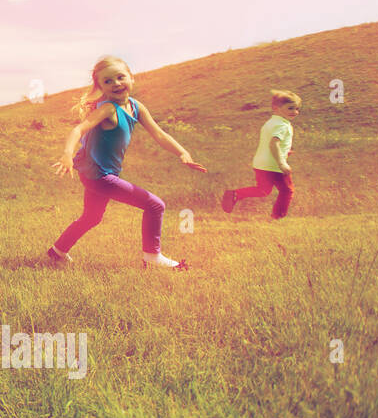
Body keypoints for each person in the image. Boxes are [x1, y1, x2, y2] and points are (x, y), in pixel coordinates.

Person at [47, 56, 206, 269]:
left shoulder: (136, 106)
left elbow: (158, 134)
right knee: (155, 205)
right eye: (108, 81)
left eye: (120, 77)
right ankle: (152, 257)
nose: (116, 84)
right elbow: (78, 129)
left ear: (132, 78)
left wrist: (183, 152)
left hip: (100, 172)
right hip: (99, 176)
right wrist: (67, 154)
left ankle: (57, 252)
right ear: (101, 87)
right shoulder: (108, 109)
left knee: (91, 217)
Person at [221, 90, 299, 219]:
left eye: (297, 109)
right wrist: (282, 163)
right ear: (276, 108)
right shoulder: (282, 125)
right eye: (290, 108)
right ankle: (277, 217)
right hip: (274, 165)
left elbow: (270, 142)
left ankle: (235, 194)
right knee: (287, 190)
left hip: (260, 163)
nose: (295, 112)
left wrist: (286, 152)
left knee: (263, 190)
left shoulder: (270, 123)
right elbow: (274, 144)